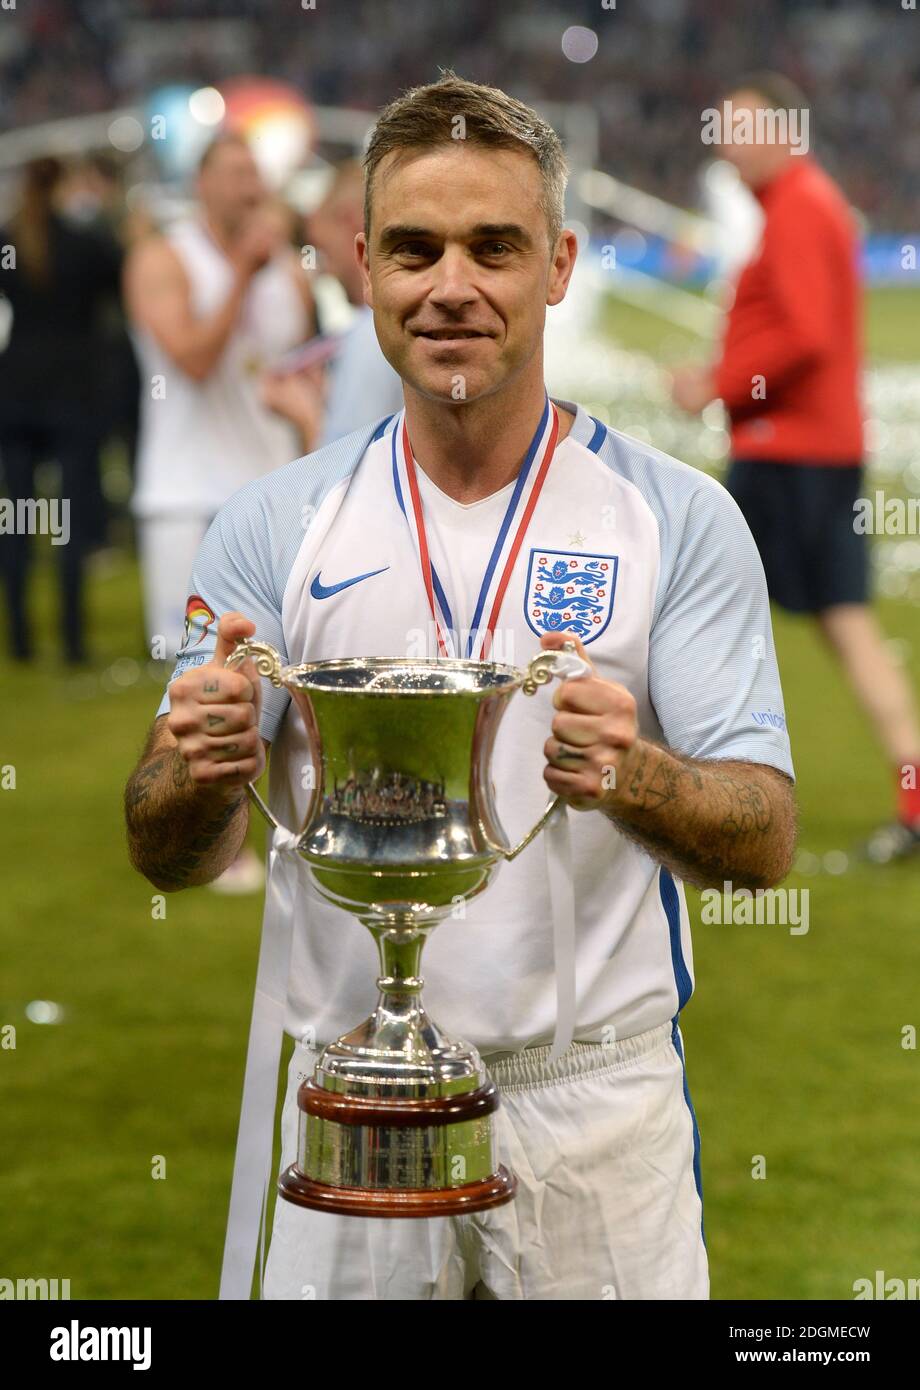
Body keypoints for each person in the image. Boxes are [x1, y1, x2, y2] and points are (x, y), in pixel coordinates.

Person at [125, 74, 796, 1300]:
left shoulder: (677, 520)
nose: (451, 287)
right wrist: (201, 756)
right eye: (416, 249)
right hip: (346, 1091)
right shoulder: (273, 523)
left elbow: (760, 845)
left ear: (557, 264)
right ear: (361, 263)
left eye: (493, 246)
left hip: (593, 1105)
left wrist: (630, 772)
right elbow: (168, 851)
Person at [672, 73, 920, 863]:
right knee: (838, 627)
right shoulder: (799, 205)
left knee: (689, 602)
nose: (728, 144)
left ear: (785, 132)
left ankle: (689, 796)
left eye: (742, 128)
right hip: (807, 451)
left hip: (791, 453)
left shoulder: (801, 208)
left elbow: (808, 334)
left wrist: (716, 383)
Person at [124, 131, 315, 664]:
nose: (247, 187)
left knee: (278, 664)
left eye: (254, 173)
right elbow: (192, 360)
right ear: (200, 184)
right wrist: (240, 278)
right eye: (234, 174)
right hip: (185, 493)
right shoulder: (163, 258)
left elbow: (297, 374)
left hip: (272, 489)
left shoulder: (287, 269)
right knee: (190, 669)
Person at [0, 156, 122, 663]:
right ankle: (73, 642)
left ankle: (22, 642)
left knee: (17, 518)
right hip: (73, 392)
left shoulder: (9, 241)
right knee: (70, 517)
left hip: (16, 389)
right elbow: (116, 291)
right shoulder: (86, 242)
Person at [258, 161, 403, 449]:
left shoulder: (371, 332)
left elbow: (344, 479)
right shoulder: (389, 325)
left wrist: (305, 414)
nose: (323, 270)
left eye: (321, 249)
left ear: (349, 221)